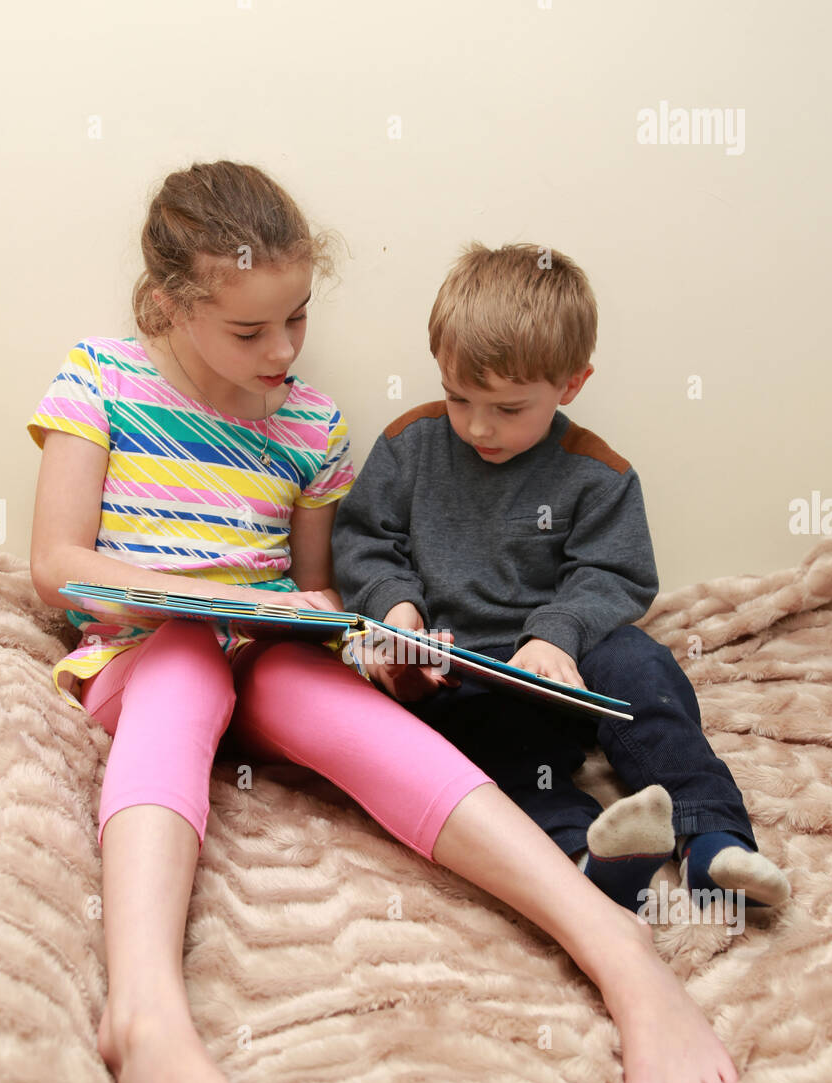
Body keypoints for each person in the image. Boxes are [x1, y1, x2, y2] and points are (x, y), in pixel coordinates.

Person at [28, 163, 739, 1083]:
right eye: (249, 332)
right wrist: (207, 598)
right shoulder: (98, 380)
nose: (282, 353)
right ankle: (146, 1018)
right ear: (169, 307)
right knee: (182, 664)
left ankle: (614, 942)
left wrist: (363, 636)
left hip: (271, 648)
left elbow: (318, 582)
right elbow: (58, 563)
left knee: (356, 718)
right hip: (153, 649)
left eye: (298, 321)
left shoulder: (311, 425)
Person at [331, 242, 790, 920]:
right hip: (456, 682)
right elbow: (366, 540)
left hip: (562, 675)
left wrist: (556, 636)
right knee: (499, 764)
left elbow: (614, 575)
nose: (478, 425)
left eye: (508, 408)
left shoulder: (597, 473)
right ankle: (590, 861)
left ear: (570, 385)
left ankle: (711, 838)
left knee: (641, 661)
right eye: (458, 398)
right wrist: (397, 611)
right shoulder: (408, 446)